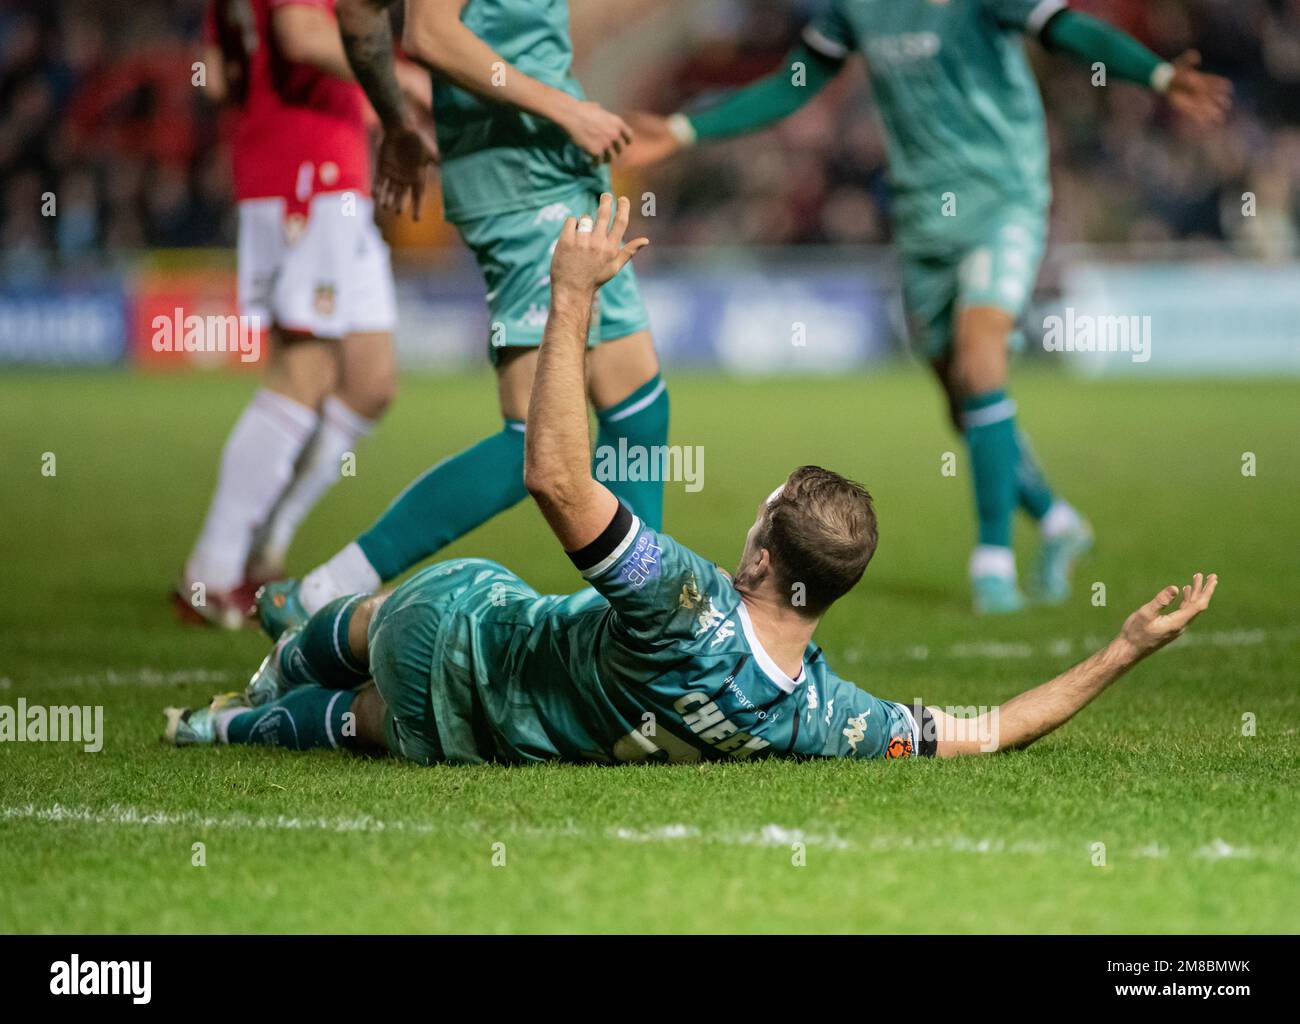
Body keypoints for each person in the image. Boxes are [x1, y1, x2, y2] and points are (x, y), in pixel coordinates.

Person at [166, 195, 1219, 765]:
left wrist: (568, 298)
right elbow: (993, 728)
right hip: (472, 742)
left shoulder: (683, 600)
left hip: (455, 634)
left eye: (757, 512)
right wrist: (1122, 649)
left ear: (762, 556)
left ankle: (275, 650)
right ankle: (225, 726)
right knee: (372, 723)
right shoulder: (821, 717)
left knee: (393, 618)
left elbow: (552, 472)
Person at [618, 0, 1231, 614]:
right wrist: (682, 130)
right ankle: (1056, 518)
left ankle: (992, 564)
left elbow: (1065, 26)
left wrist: (1154, 73)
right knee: (963, 401)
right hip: (922, 218)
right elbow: (793, 84)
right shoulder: (855, 9)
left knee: (980, 356)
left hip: (1004, 199)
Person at [253, 0, 669, 637]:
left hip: (549, 167)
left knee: (637, 398)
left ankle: (645, 611)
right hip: (522, 175)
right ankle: (322, 592)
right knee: (528, 439)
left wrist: (396, 121)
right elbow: (428, 31)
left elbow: (363, 16)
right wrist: (568, 109)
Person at [176, 0, 429, 627]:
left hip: (320, 168)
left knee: (370, 384)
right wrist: (400, 83)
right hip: (306, 173)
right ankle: (209, 574)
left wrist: (356, 103)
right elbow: (300, 32)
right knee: (305, 372)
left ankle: (263, 544)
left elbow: (218, 74)